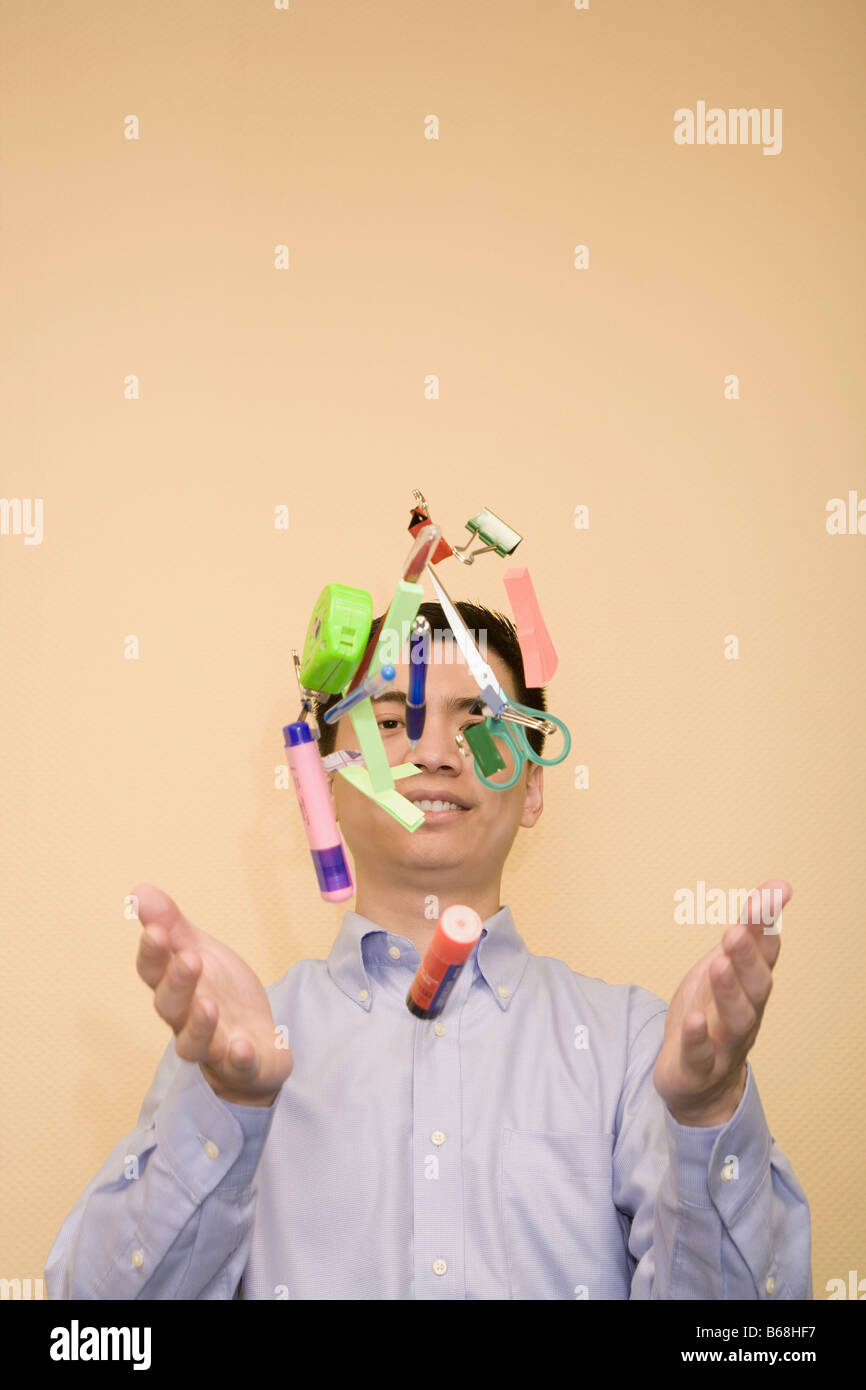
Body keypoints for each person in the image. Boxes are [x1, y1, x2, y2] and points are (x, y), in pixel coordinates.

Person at [45, 601, 811, 1300]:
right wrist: (225, 1109)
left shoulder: (640, 1049)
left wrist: (709, 1114)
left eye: (477, 718)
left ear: (534, 787)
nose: (435, 753)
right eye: (388, 722)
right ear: (322, 787)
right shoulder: (228, 1045)